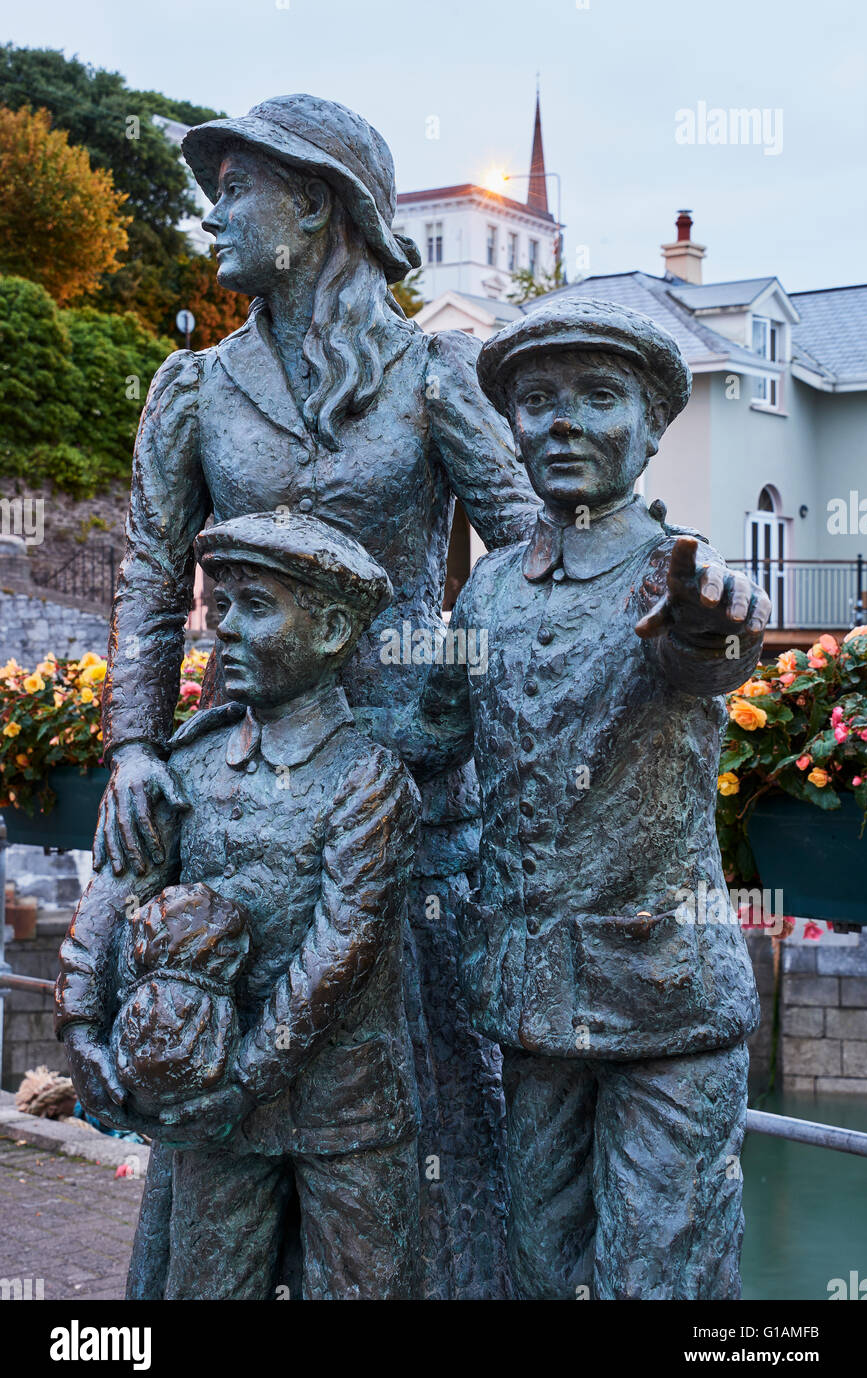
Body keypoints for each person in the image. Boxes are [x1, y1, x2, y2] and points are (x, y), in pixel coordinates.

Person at [94, 94, 536, 1298]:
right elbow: (147, 572)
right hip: (243, 793)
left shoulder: (433, 372)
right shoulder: (190, 388)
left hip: (412, 789)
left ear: (315, 204)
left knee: (418, 1100)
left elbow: (525, 558)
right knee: (232, 1120)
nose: (213, 210)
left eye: (236, 184)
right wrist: (134, 749)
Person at [414, 297, 771, 1299]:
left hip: (666, 1005)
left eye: (596, 397)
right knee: (535, 1263)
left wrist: (713, 629)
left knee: (661, 1270)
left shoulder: (675, 571)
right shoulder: (487, 591)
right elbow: (429, 736)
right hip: (530, 1008)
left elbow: (710, 645)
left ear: (652, 428)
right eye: (534, 400)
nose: (560, 422)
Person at [57, 512, 421, 1300]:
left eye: (254, 606)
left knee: (365, 1285)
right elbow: (117, 889)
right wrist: (80, 1022)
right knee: (205, 1285)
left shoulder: (369, 780)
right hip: (212, 1110)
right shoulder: (188, 760)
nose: (222, 629)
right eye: (218, 606)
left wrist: (245, 1079)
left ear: (329, 630)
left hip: (344, 1109)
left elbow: (342, 950)